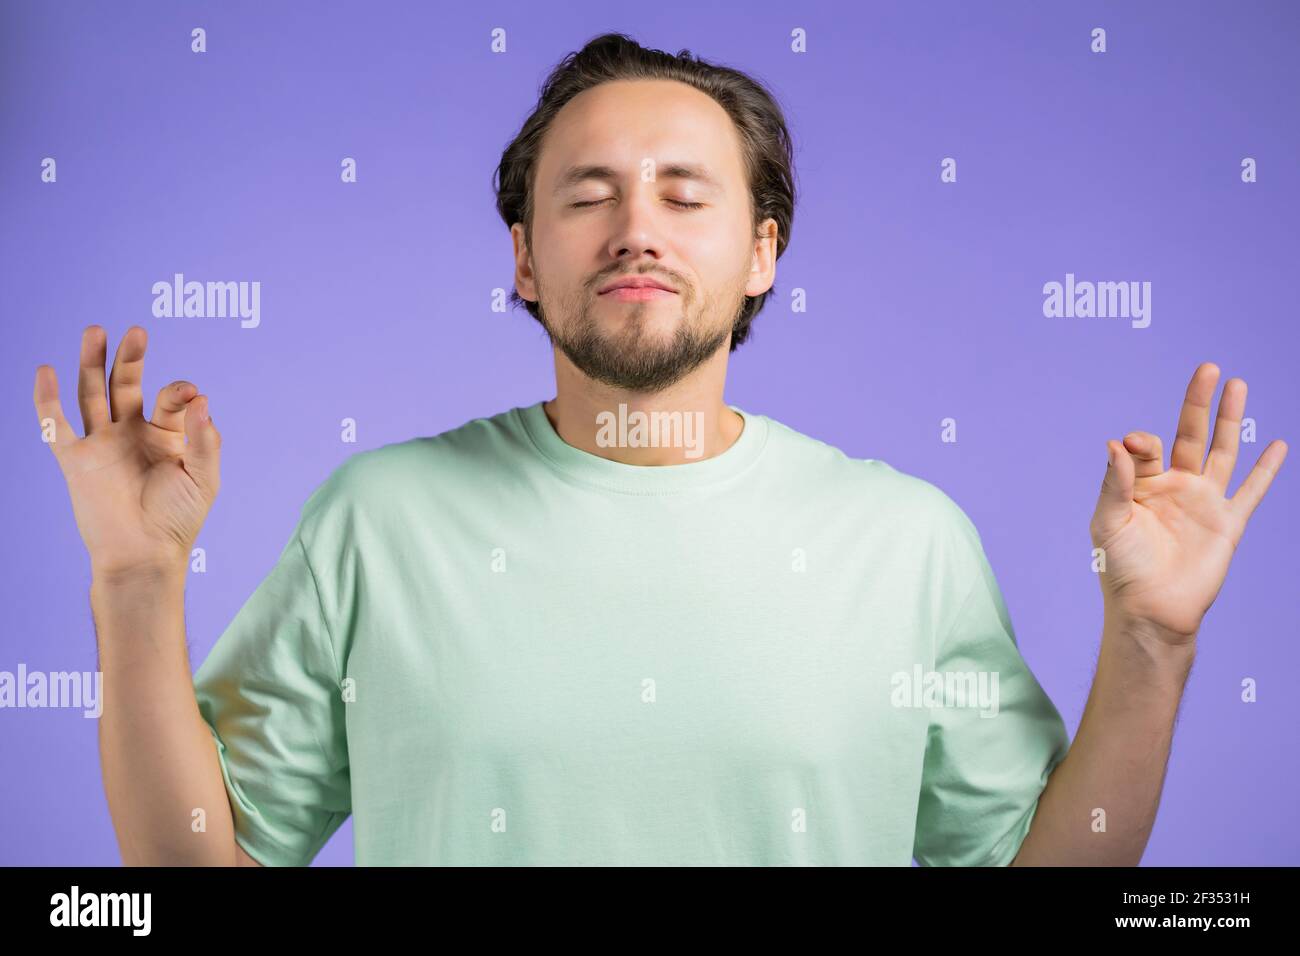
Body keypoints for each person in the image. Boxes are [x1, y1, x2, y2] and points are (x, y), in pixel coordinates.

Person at [32, 33, 1287, 866]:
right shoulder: (378, 515)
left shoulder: (906, 540)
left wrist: (1151, 640)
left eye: (686, 195)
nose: (636, 227)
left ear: (761, 255)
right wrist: (137, 585)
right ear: (525, 260)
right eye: (586, 194)